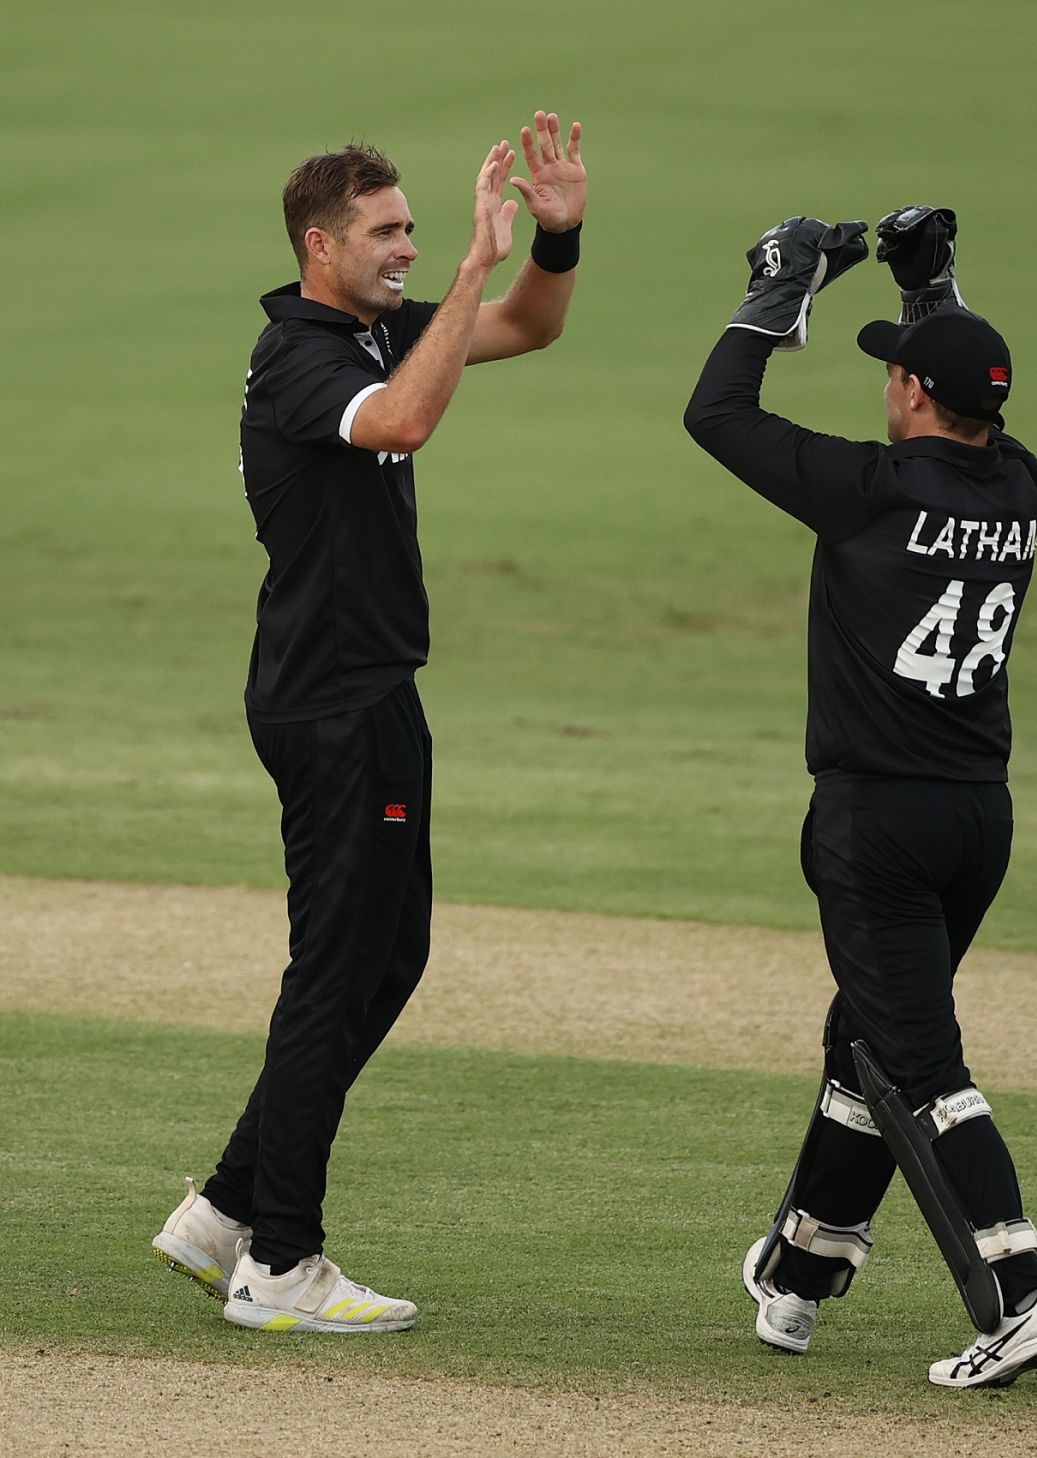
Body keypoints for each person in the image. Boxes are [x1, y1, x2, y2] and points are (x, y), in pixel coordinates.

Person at [153, 113, 587, 1334]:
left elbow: (532, 328)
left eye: (410, 228)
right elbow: (402, 420)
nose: (406, 245)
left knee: (386, 962)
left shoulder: (366, 329)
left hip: (370, 692)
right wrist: (465, 272)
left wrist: (553, 240)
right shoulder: (300, 357)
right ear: (318, 242)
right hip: (331, 704)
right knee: (333, 974)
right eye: (386, 231)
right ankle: (280, 1266)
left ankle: (223, 1213)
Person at [683, 207, 1037, 1388]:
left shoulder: (870, 491)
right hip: (977, 821)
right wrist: (932, 287)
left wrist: (773, 295)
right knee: (867, 1038)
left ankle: (1022, 1294)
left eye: (896, 373)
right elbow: (961, 383)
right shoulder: (1022, 483)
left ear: (911, 393)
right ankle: (805, 1262)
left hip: (877, 829)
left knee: (917, 1060)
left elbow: (717, 415)